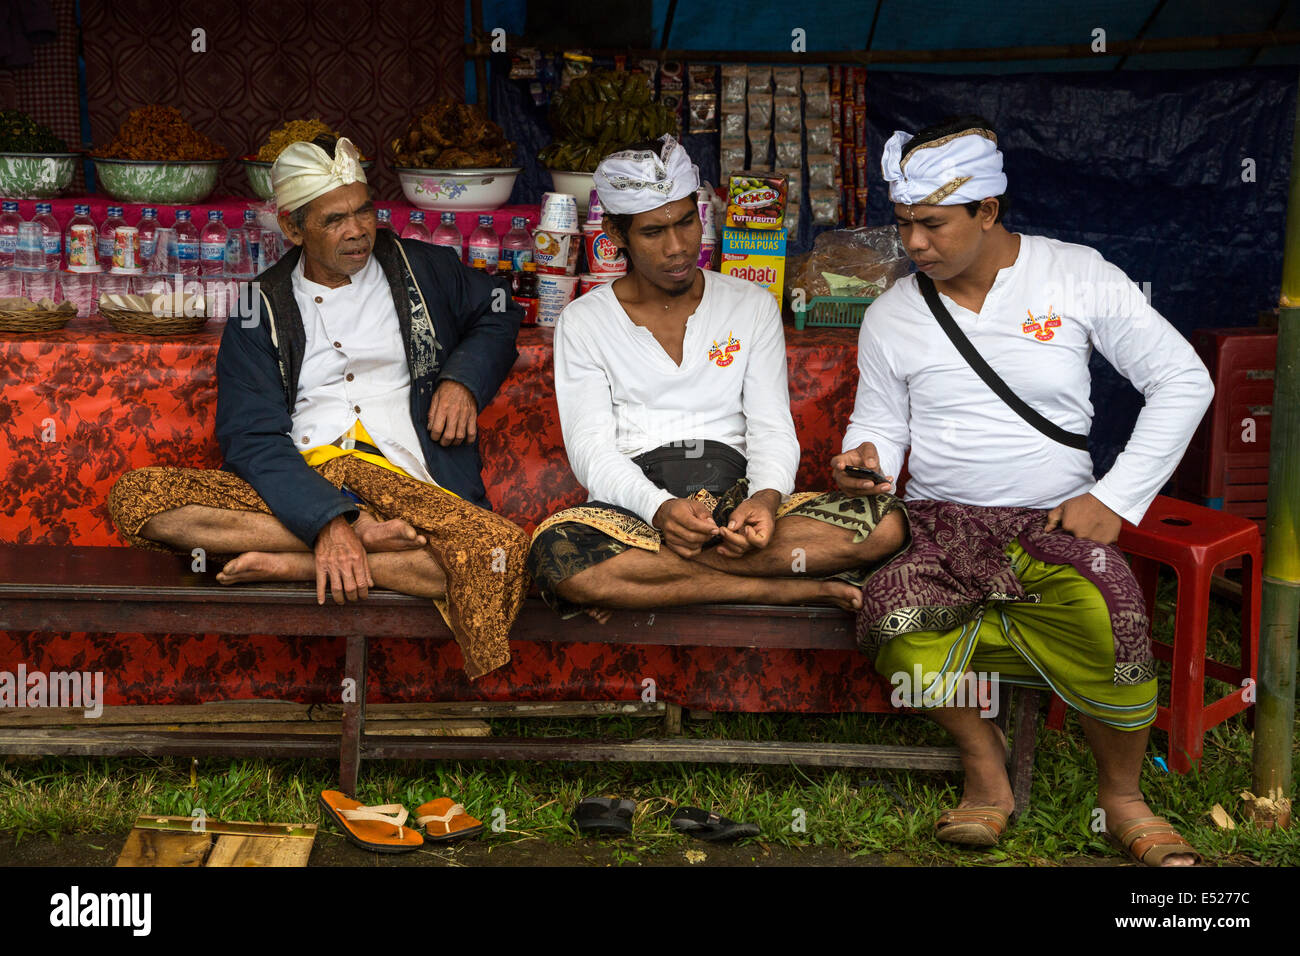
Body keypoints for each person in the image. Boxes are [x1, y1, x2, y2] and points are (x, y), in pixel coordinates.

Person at [833, 116, 1212, 864]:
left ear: (988, 212)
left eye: (932, 225)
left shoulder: (1075, 274)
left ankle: (1122, 794)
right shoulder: (891, 314)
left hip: (1053, 521)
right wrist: (864, 457)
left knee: (1113, 619)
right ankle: (984, 764)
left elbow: (1182, 379)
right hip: (938, 524)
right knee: (893, 626)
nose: (912, 245)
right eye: (904, 224)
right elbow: (879, 424)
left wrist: (1115, 496)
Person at [108, 135, 528, 679]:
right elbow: (251, 438)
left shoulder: (422, 267)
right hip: (303, 478)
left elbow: (499, 311)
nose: (357, 230)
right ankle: (361, 535)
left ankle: (295, 565)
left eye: (364, 212)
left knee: (502, 553)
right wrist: (330, 522)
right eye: (333, 220)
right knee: (138, 497)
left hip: (408, 474)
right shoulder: (261, 307)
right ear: (292, 227)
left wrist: (462, 381)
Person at [527, 135, 907, 620]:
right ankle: (780, 589)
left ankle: (672, 578)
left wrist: (766, 500)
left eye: (687, 221)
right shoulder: (584, 321)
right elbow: (592, 451)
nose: (678, 246)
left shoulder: (750, 305)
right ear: (616, 235)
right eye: (652, 233)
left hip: (739, 502)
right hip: (638, 513)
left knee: (887, 525)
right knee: (556, 556)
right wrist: (660, 509)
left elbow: (772, 428)